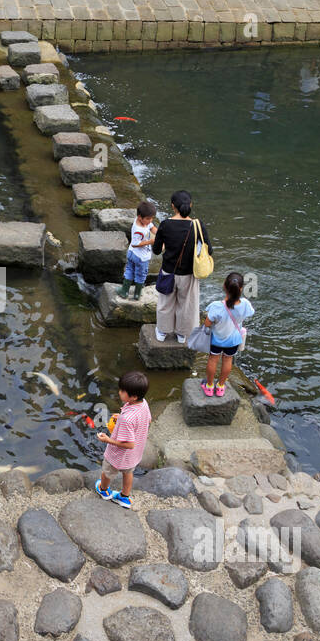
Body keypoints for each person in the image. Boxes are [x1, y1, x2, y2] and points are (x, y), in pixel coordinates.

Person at [151, 190, 212, 344]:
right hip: (189, 273)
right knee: (186, 305)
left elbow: (156, 250)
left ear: (173, 206)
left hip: (168, 272)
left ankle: (162, 332)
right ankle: (182, 334)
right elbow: (209, 250)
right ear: (190, 205)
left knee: (165, 303)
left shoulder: (165, 225)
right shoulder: (198, 225)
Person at [95, 371, 153, 510]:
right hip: (133, 456)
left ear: (132, 396)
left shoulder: (128, 419)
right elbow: (148, 420)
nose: (119, 392)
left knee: (107, 471)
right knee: (128, 472)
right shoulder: (143, 403)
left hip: (118, 455)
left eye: (122, 391)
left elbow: (129, 444)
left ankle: (103, 490)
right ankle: (124, 497)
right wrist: (120, 418)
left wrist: (108, 440)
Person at [202, 272, 256, 398]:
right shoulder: (245, 304)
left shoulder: (216, 306)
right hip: (233, 340)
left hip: (217, 340)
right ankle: (220, 386)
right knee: (228, 360)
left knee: (213, 360)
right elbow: (250, 313)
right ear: (241, 289)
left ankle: (209, 386)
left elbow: (207, 323)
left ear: (224, 287)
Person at [117, 200, 157, 300]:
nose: (150, 220)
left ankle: (124, 291)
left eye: (152, 218)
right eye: (148, 218)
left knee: (129, 271)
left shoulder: (144, 221)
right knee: (141, 274)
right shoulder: (138, 230)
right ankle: (137, 294)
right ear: (140, 217)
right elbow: (135, 244)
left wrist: (159, 233)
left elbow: (152, 227)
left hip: (132, 254)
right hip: (141, 257)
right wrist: (150, 242)